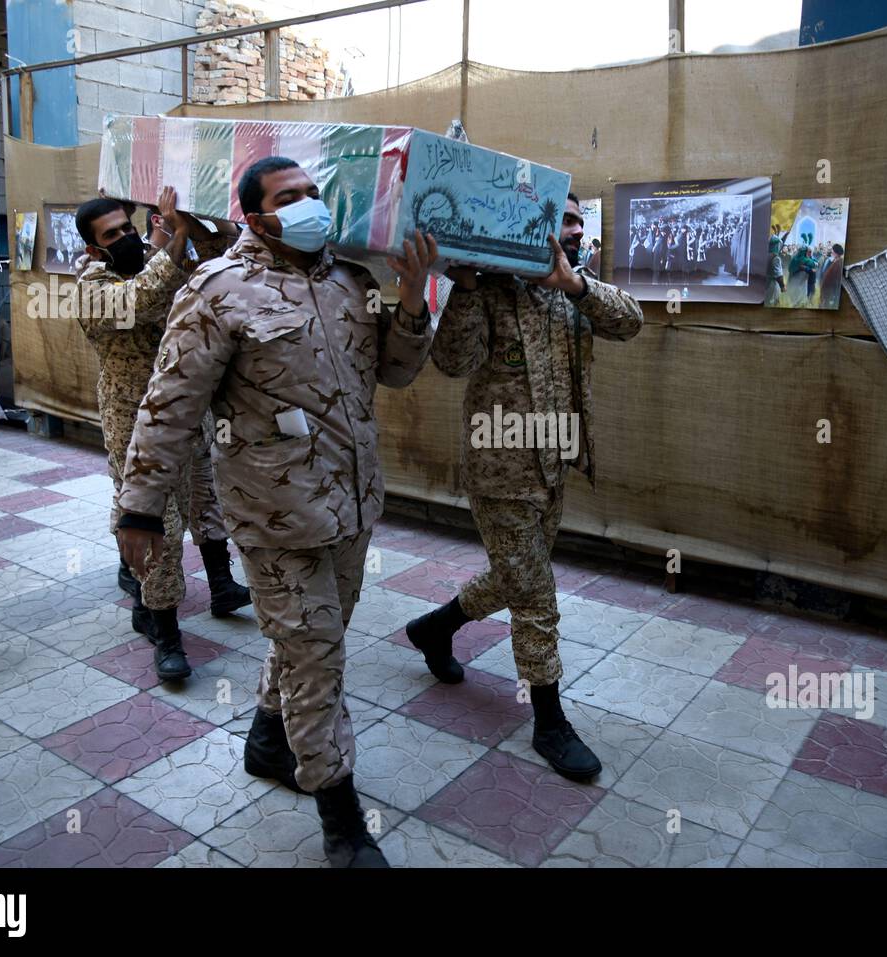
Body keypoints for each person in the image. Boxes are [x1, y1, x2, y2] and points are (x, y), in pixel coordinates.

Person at [115, 157, 438, 868]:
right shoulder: (217, 290)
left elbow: (397, 369)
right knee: (317, 656)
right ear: (256, 214)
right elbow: (170, 407)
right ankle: (342, 819)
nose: (308, 206)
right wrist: (138, 509)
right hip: (273, 512)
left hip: (352, 506)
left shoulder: (353, 280)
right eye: (288, 197)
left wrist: (412, 301)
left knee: (306, 644)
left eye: (313, 194)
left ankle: (268, 738)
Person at [405, 193, 643, 781]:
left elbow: (631, 322)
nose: (570, 232)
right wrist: (463, 286)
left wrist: (576, 286)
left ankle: (434, 628)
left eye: (578, 224)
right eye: (561, 220)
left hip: (554, 463)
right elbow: (452, 363)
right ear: (531, 226)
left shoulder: (574, 292)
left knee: (514, 577)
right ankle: (549, 721)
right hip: (500, 470)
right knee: (536, 595)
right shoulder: (489, 290)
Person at [74, 188, 249, 683]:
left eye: (129, 228)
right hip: (133, 423)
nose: (128, 238)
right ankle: (164, 630)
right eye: (113, 235)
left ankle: (221, 584)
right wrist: (175, 241)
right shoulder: (92, 285)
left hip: (188, 412)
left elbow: (221, 270)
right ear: (93, 248)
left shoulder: (157, 259)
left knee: (204, 499)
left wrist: (206, 227)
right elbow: (143, 300)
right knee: (160, 526)